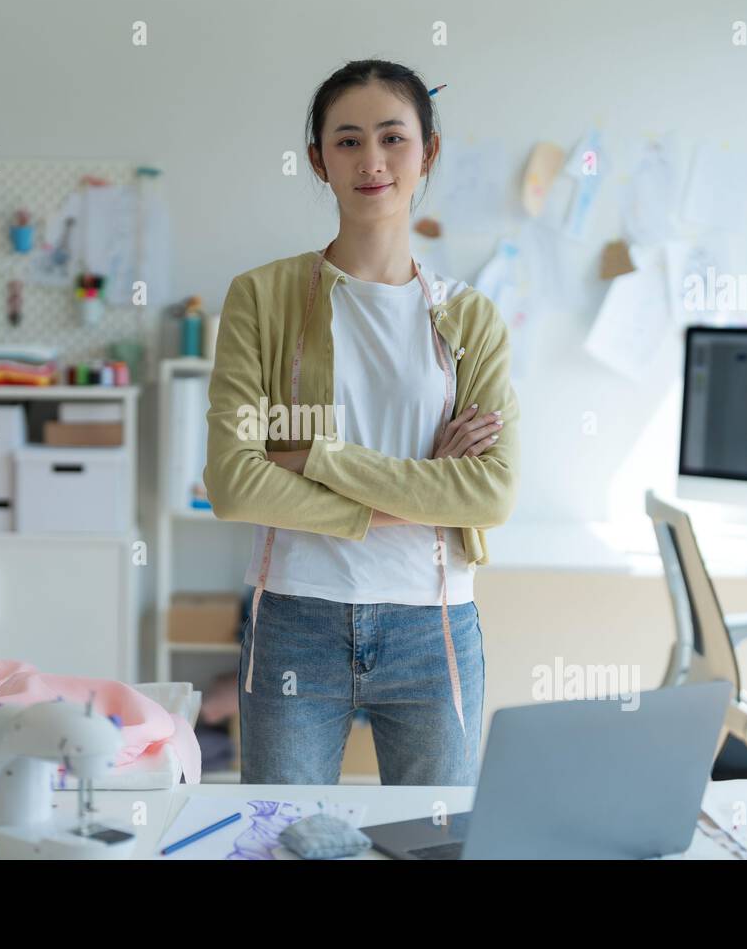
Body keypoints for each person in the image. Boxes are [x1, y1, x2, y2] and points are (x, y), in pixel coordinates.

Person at [203, 59, 520, 785]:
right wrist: (425, 493)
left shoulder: (470, 317)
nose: (371, 162)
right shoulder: (263, 297)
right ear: (319, 160)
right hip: (296, 620)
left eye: (392, 138)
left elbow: (489, 497)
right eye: (346, 141)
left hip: (431, 627)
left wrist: (313, 455)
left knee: (433, 838)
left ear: (427, 152)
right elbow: (232, 483)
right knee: (282, 836)